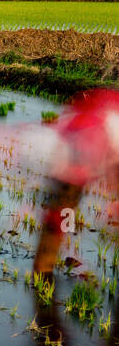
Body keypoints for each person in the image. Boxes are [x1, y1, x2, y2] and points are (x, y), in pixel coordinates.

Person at [32, 88, 119, 275]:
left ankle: (44, 267)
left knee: (61, 211)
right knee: (62, 210)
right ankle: (44, 270)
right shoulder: (105, 118)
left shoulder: (103, 107)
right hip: (77, 155)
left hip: (78, 147)